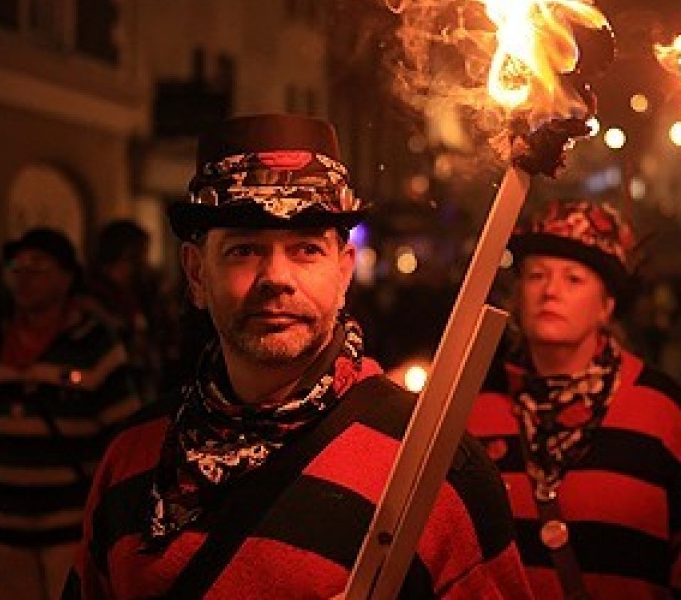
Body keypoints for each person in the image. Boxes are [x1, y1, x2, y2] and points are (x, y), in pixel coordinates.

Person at [61, 114, 532, 599]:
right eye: (243, 250)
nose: (275, 277)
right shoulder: (130, 458)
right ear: (197, 274)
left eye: (306, 249)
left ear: (344, 271)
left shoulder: (434, 468)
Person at [465, 199, 681, 599]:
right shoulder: (474, 407)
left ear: (606, 306)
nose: (550, 291)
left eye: (574, 279)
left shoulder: (659, 410)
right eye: (536, 275)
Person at [0, 227, 142, 600]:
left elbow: (122, 437)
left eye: (37, 268)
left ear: (67, 277)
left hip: (69, 533)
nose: (23, 278)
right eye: (17, 268)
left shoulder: (93, 346)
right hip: (5, 533)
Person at [84, 219, 169, 402]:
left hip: (145, 381)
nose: (141, 264)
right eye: (133, 257)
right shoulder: (92, 298)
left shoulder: (144, 291)